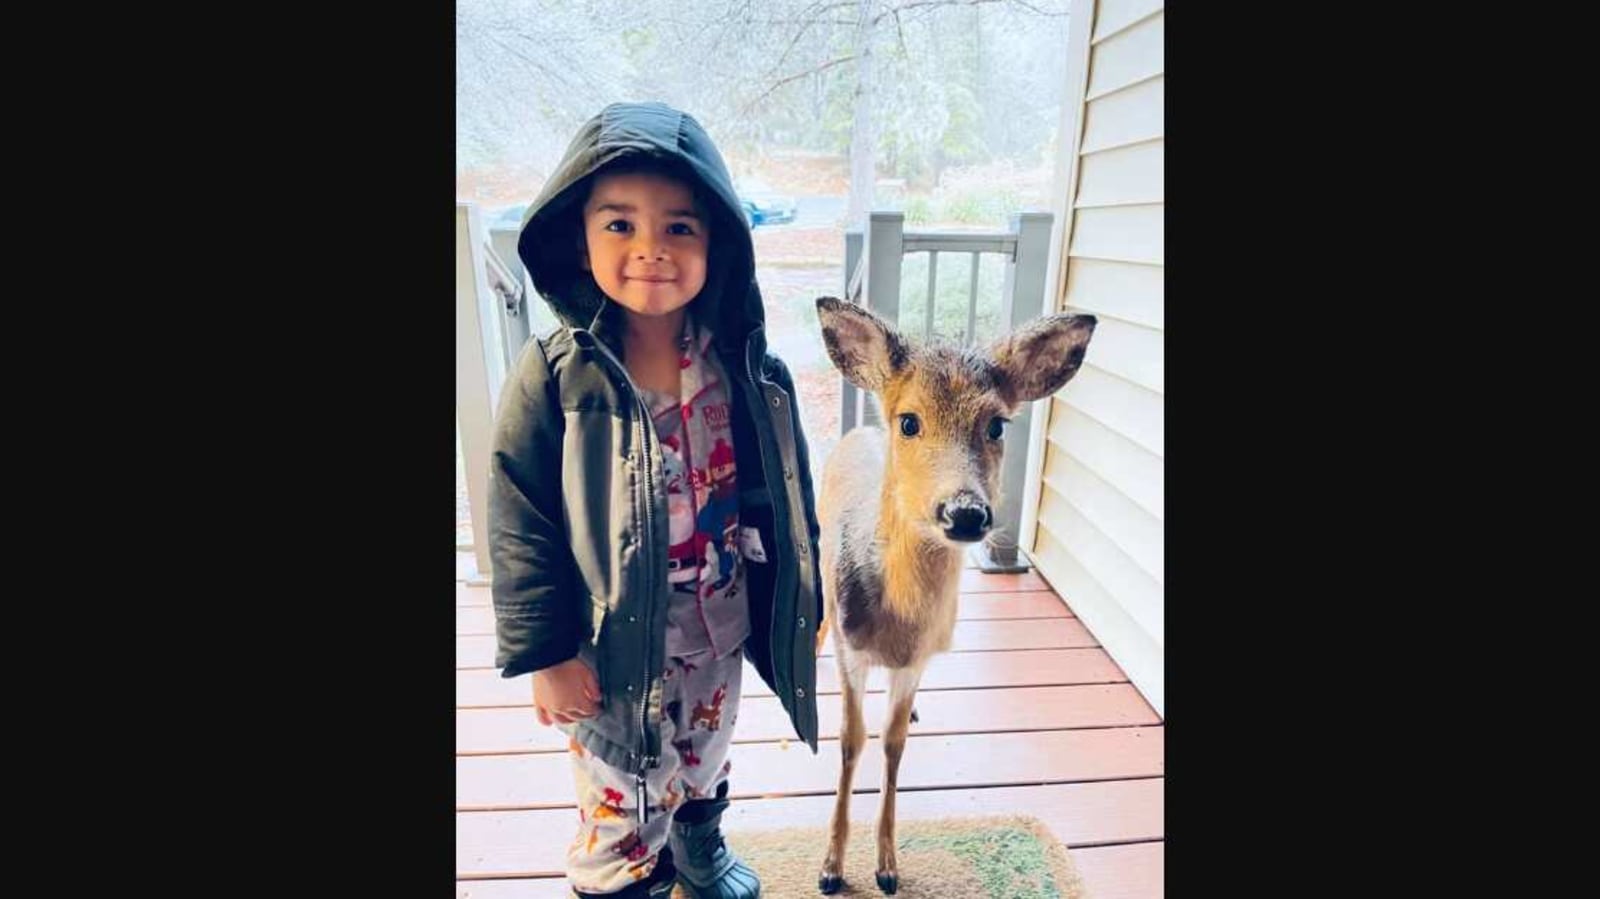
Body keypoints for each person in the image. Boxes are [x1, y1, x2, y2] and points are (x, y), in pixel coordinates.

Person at [489, 101, 824, 899]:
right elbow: (517, 515)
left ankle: (701, 845)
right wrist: (546, 651)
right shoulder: (557, 374)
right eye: (619, 225)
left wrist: (806, 604)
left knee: (704, 753)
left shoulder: (748, 370)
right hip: (607, 644)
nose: (650, 250)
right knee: (624, 790)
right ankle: (622, 881)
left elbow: (788, 497)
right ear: (580, 237)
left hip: (718, 622)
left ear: (718, 243)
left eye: (679, 227)